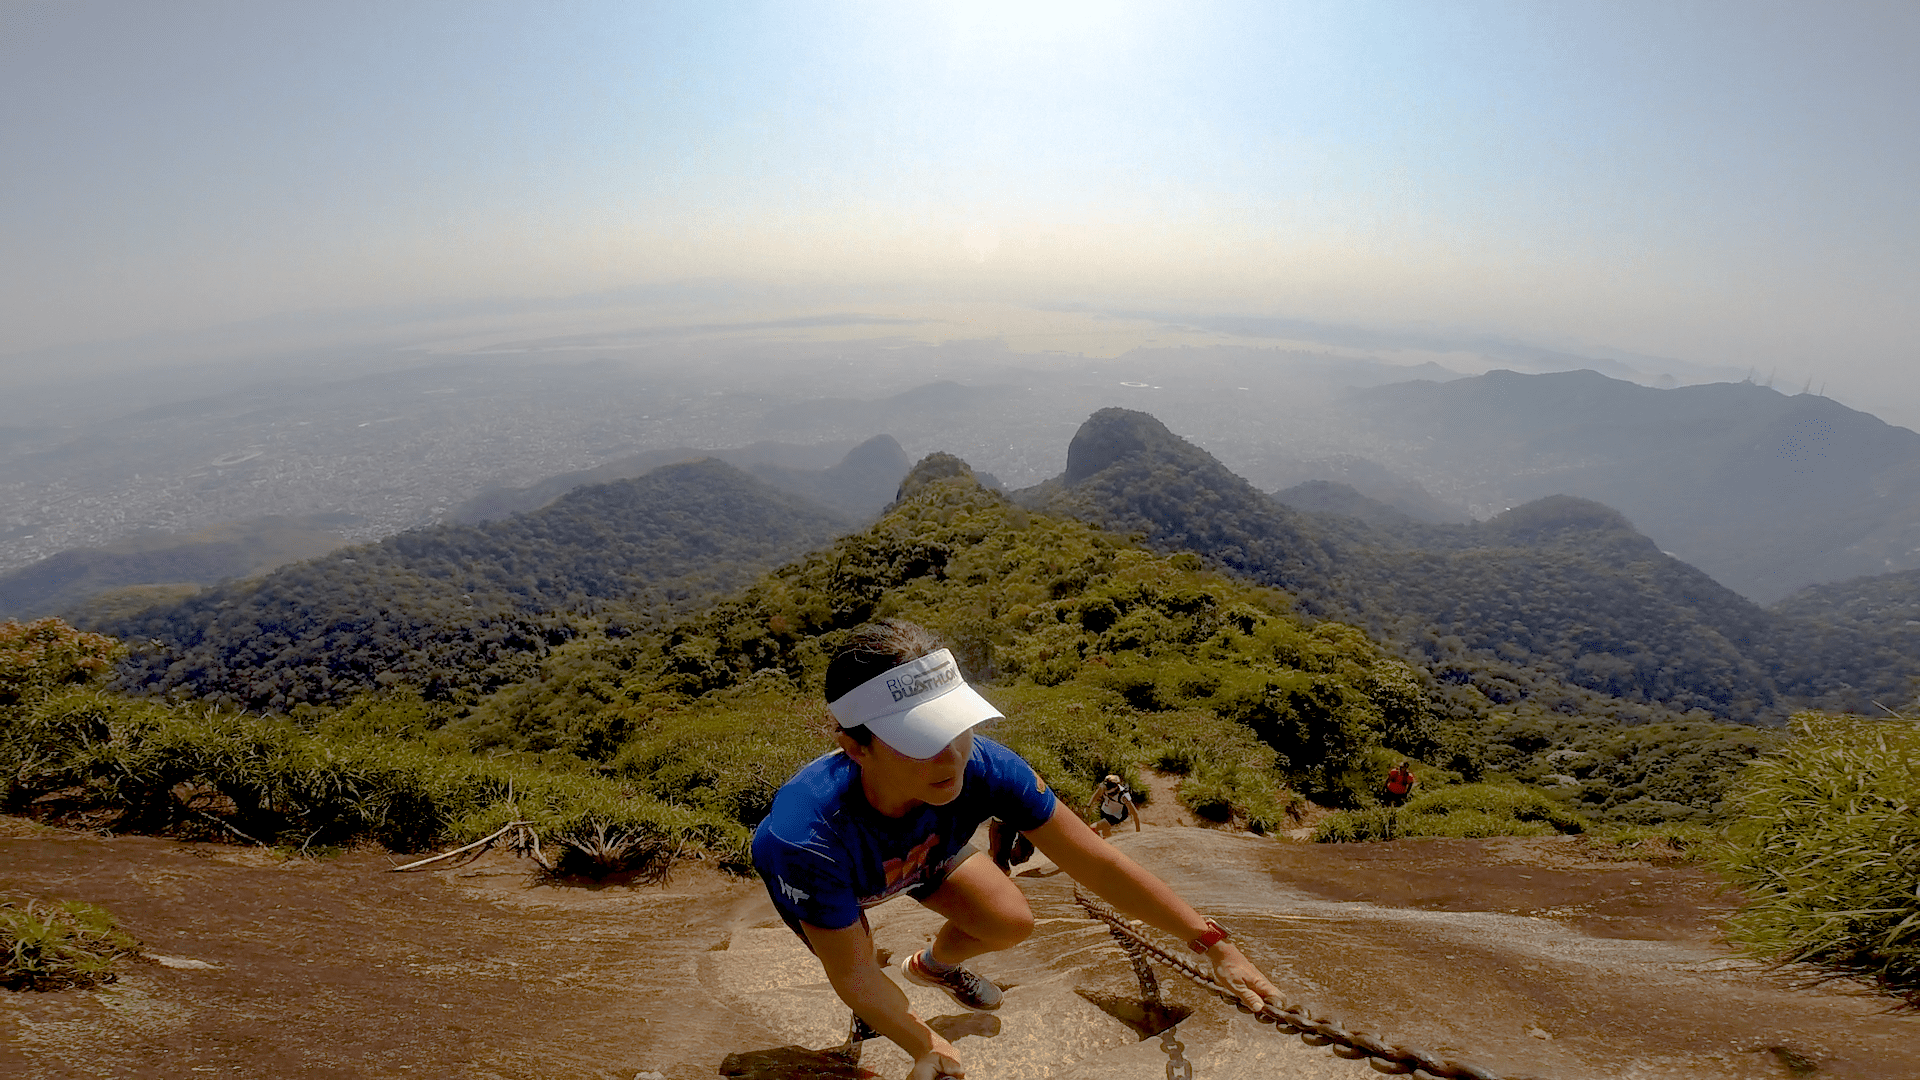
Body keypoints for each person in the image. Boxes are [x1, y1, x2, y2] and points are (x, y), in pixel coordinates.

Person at [752, 619, 1285, 1080]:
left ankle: (934, 967)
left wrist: (1214, 944)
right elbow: (853, 975)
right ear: (855, 747)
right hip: (843, 871)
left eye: (956, 725)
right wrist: (924, 1043)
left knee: (1011, 921)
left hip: (925, 851)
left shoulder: (983, 767)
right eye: (919, 739)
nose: (951, 756)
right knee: (864, 967)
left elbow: (1095, 861)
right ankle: (885, 1016)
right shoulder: (804, 837)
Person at [1087, 773, 1141, 838]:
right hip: (1104, 811)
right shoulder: (1103, 787)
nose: (1107, 787)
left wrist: (1138, 831)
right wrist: (1088, 806)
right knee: (1105, 833)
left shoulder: (1124, 796)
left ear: (1116, 786)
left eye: (1109, 785)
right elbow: (1096, 795)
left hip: (1115, 816)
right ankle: (1108, 842)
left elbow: (1135, 813)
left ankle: (1098, 843)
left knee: (1093, 828)